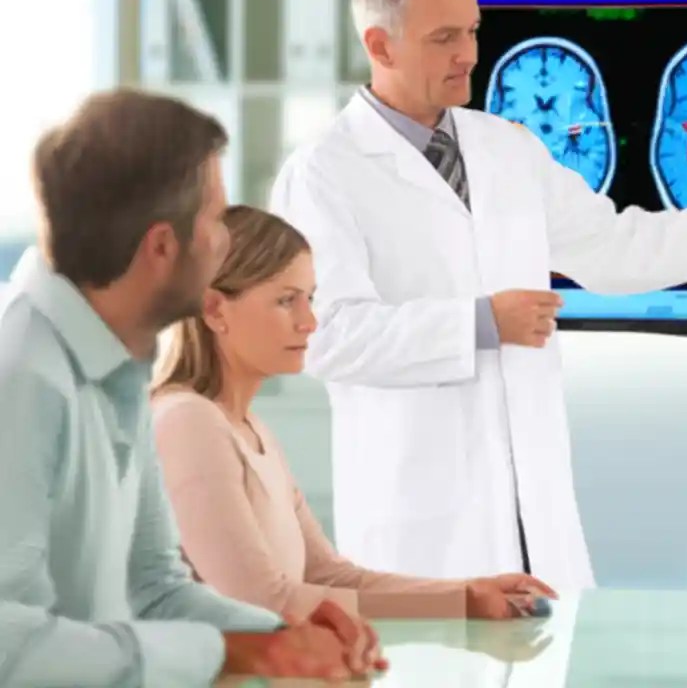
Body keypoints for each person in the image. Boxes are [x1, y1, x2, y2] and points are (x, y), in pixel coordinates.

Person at [268, 0, 687, 589]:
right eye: (444, 38)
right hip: (423, 526)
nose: (469, 55)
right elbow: (327, 336)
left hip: (532, 521)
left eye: (473, 31)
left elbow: (616, 247)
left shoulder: (505, 149)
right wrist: (483, 323)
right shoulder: (325, 174)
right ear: (380, 46)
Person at [0, 89, 384, 685]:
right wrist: (229, 654)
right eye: (214, 220)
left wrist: (287, 637)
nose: (227, 240)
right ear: (161, 247)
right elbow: (8, 645)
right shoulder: (22, 376)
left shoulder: (121, 370)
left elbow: (155, 589)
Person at [150, 203, 559, 623]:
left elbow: (329, 575)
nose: (310, 321)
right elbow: (261, 603)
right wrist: (460, 605)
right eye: (286, 301)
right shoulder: (187, 422)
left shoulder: (249, 429)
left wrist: (469, 589)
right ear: (215, 309)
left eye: (309, 299)